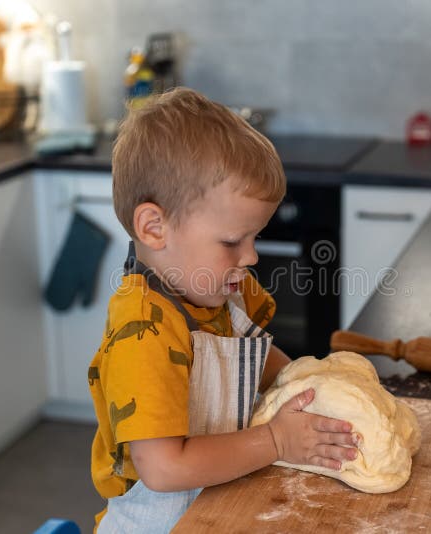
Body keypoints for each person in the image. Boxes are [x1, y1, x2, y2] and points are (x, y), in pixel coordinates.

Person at [88, 87, 359, 533]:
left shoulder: (219, 289)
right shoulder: (142, 334)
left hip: (218, 503)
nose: (250, 256)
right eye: (232, 242)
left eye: (254, 238)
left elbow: (253, 353)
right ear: (155, 227)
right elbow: (163, 470)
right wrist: (275, 440)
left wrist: (309, 387)